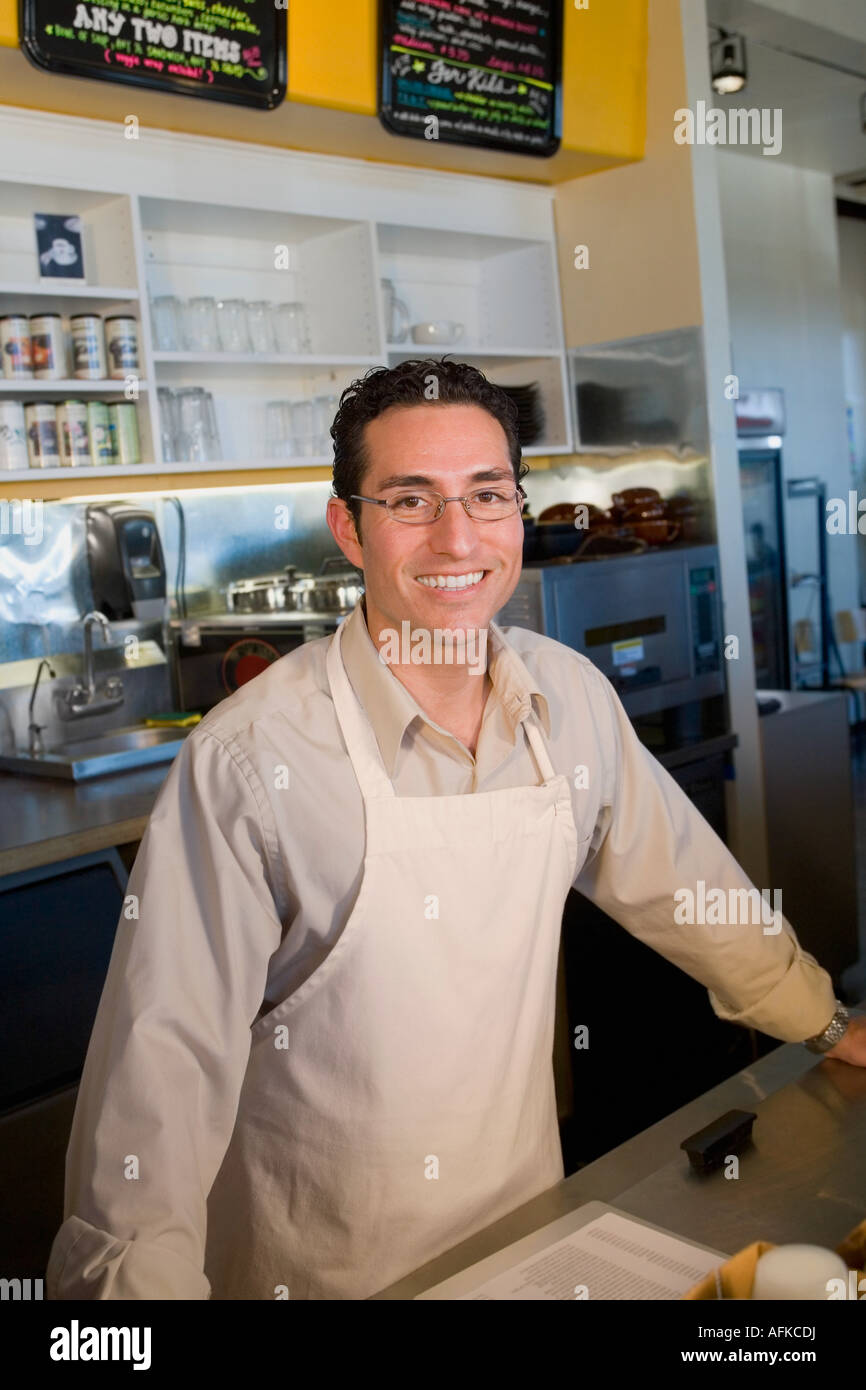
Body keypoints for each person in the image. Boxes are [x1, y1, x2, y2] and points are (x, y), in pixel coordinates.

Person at [46, 358, 866, 1301]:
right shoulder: (249, 763)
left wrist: (824, 1020)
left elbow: (685, 885)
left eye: (487, 495)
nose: (456, 537)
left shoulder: (567, 698)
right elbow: (160, 1082)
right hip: (320, 1274)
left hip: (528, 1243)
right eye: (410, 500)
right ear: (348, 528)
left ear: (518, 512)